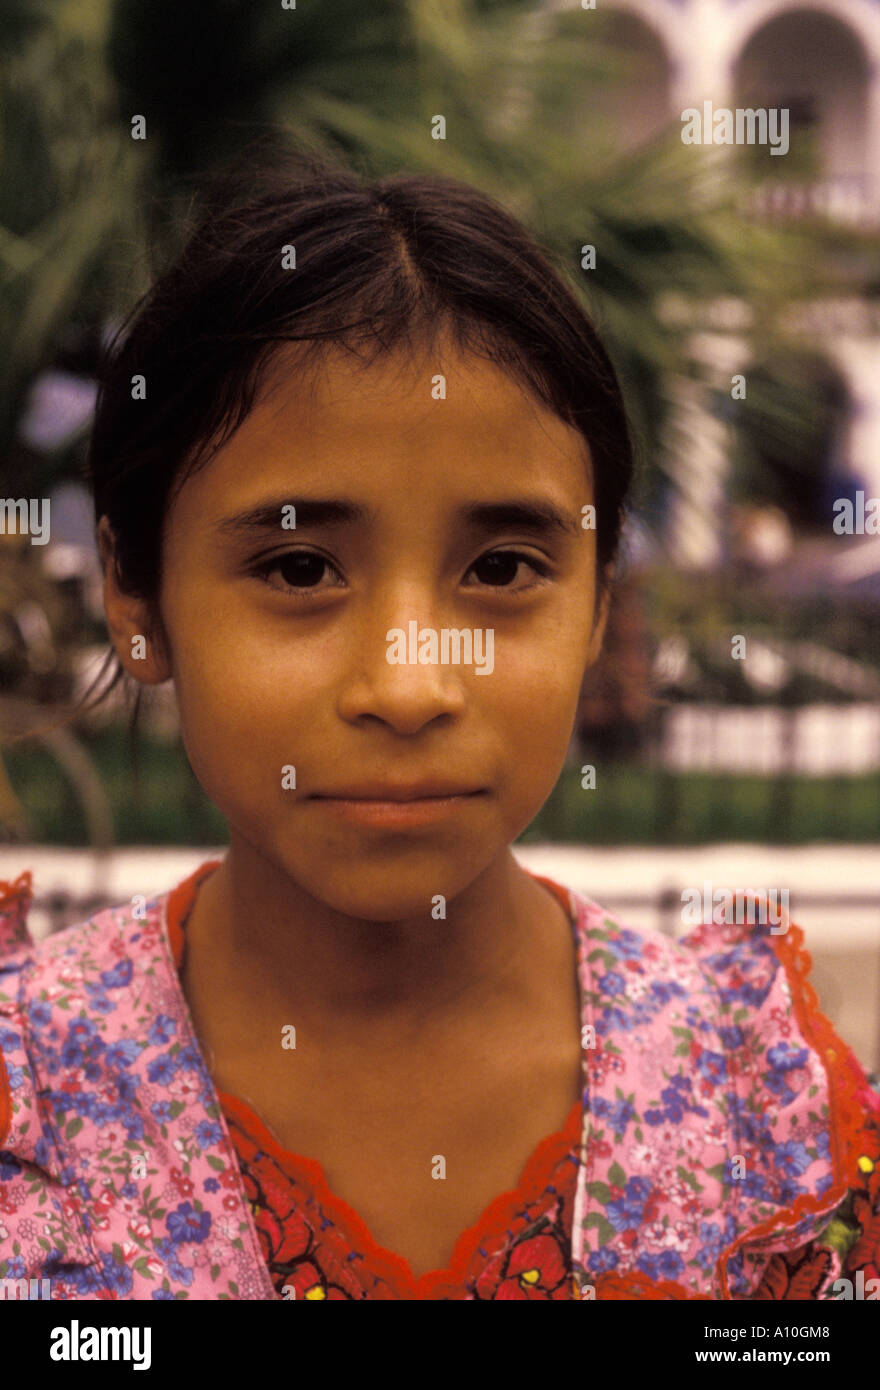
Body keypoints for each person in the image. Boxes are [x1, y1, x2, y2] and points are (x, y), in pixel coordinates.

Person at [1, 149, 878, 1301]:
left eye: (504, 566)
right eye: (300, 566)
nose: (410, 686)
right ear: (136, 596)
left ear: (598, 602)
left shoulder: (772, 1121)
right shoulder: (31, 1105)